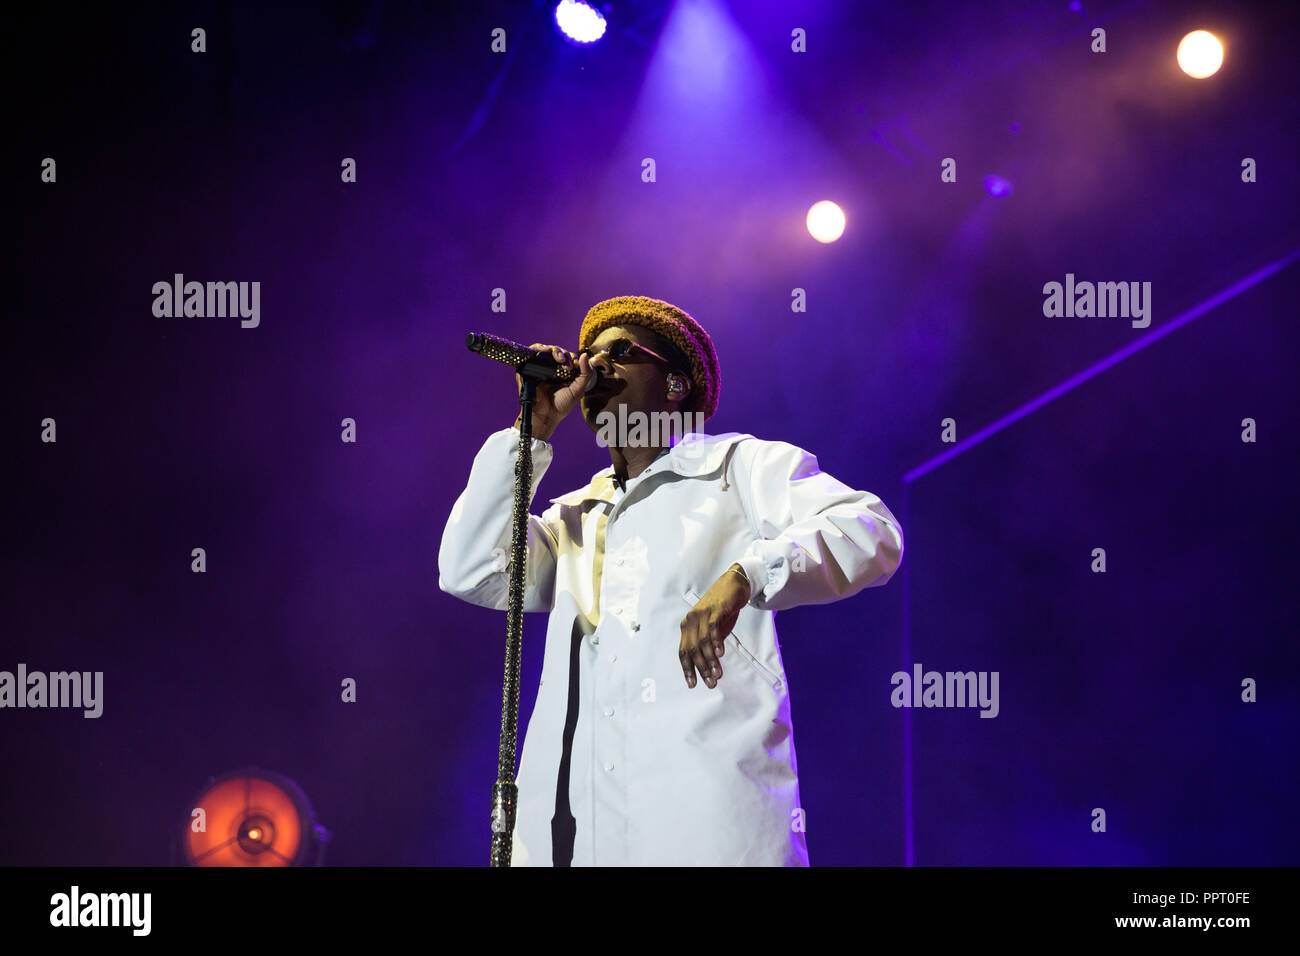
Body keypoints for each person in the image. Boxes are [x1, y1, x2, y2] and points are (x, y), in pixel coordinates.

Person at [438, 295, 903, 865]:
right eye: (587, 354)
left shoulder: (740, 468)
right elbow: (471, 569)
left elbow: (871, 531)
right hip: (573, 837)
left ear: (676, 384)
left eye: (619, 352)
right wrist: (530, 432)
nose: (593, 365)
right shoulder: (573, 516)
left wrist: (745, 574)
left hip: (707, 831)